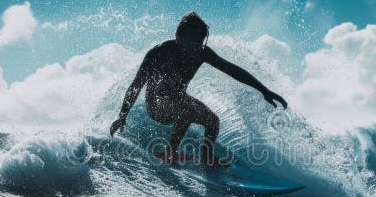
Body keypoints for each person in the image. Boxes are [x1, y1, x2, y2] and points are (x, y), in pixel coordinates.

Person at [110, 11, 287, 166]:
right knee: (187, 109)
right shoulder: (159, 53)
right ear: (179, 36)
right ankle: (170, 153)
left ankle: (207, 158)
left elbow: (233, 70)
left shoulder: (202, 52)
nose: (196, 49)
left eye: (199, 44)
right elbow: (135, 86)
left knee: (213, 121)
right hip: (157, 105)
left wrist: (264, 90)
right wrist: (122, 116)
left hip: (179, 100)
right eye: (193, 43)